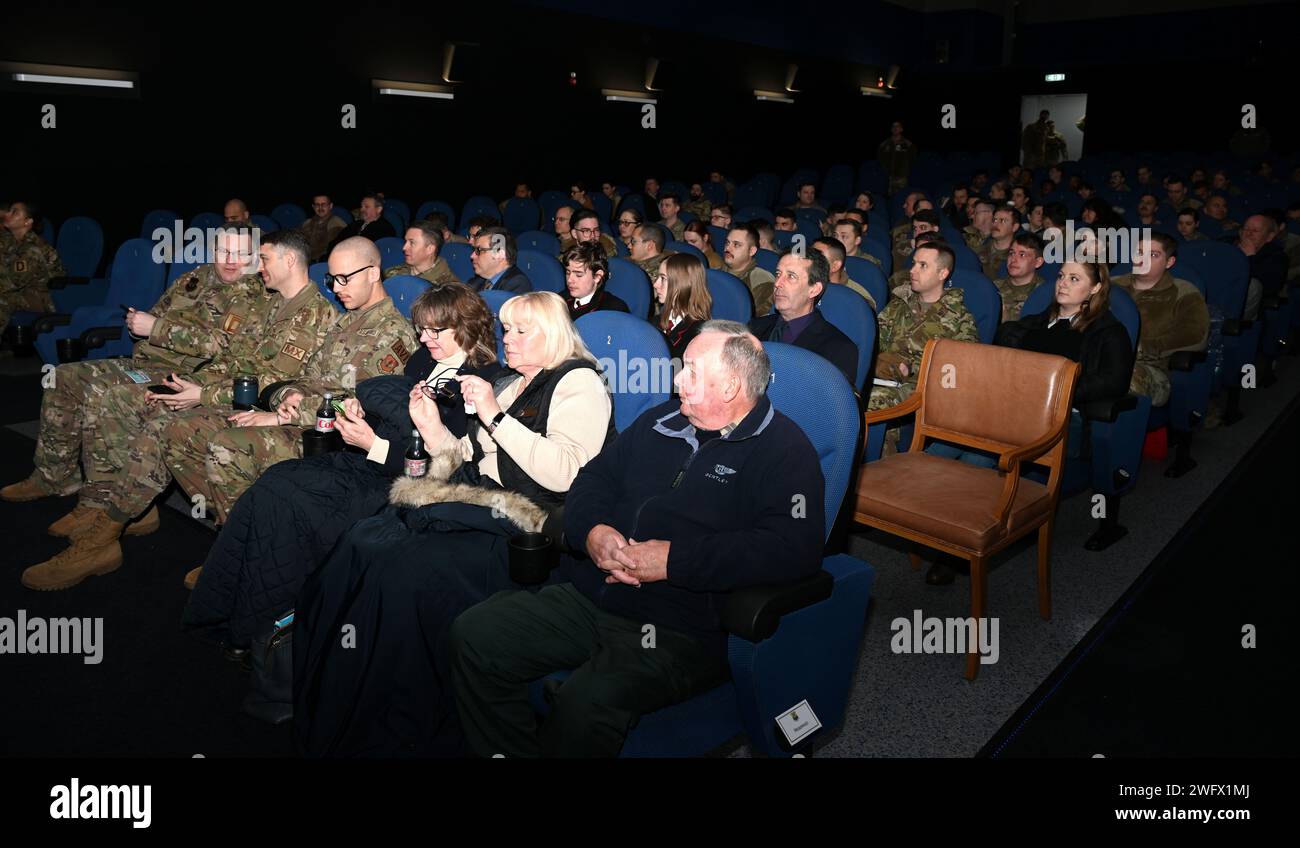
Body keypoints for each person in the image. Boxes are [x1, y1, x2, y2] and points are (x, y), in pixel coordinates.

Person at [450, 321, 825, 757]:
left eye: (691, 371)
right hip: (594, 593)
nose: (676, 380)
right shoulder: (659, 421)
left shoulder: (784, 450)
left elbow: (792, 547)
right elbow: (593, 480)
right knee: (474, 634)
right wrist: (592, 532)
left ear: (730, 387)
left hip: (680, 624)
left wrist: (674, 560)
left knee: (584, 703)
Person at [292, 291, 615, 756]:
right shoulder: (509, 383)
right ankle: (333, 696)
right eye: (507, 330)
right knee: (366, 538)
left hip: (528, 528)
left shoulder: (578, 381)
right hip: (479, 504)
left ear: (556, 335)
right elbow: (460, 456)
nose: (510, 340)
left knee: (402, 568)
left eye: (524, 331)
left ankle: (399, 722)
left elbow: (566, 471)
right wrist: (429, 427)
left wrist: (493, 415)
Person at [19, 229, 337, 591]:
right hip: (218, 387)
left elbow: (267, 382)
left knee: (162, 423)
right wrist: (198, 387)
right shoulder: (276, 300)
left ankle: (106, 534)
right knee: (130, 404)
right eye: (231, 252)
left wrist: (202, 394)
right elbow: (236, 360)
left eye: (260, 258)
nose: (252, 266)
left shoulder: (308, 313)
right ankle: (114, 517)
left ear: (288, 261)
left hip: (257, 406)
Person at [182, 282, 500, 644]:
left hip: (408, 488)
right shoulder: (422, 360)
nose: (425, 338)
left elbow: (450, 468)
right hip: (369, 464)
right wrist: (361, 413)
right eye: (421, 329)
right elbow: (394, 419)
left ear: (468, 326)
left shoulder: (484, 382)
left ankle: (267, 630)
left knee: (298, 505)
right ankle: (229, 607)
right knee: (275, 481)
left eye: (435, 331)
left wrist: (373, 443)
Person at [1, 225, 264, 507]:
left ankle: (105, 502)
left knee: (102, 392)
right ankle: (53, 477)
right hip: (147, 360)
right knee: (62, 377)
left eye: (240, 253)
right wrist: (139, 324)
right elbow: (158, 314)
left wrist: (156, 328)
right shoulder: (195, 277)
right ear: (213, 250)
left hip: (186, 376)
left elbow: (223, 346)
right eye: (224, 250)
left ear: (252, 256)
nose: (230, 260)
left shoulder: (254, 293)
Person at [169, 236, 418, 531]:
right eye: (331, 279)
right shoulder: (345, 322)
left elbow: (356, 406)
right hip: (300, 417)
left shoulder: (392, 335)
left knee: (227, 446)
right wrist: (285, 399)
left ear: (373, 273)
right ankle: (249, 530)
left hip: (333, 438)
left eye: (343, 279)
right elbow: (305, 377)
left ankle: (249, 541)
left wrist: (284, 414)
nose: (335, 288)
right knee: (181, 431)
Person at [924, 259, 1133, 585]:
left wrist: (1052, 390)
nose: (1062, 283)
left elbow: (1112, 383)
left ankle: (955, 548)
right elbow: (1001, 358)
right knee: (944, 448)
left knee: (979, 456)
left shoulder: (1108, 332)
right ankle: (927, 517)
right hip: (1009, 411)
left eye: (1074, 278)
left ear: (1094, 288)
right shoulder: (1036, 323)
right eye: (1061, 276)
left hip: (1062, 419)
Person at [869, 242, 980, 414]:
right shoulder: (899, 304)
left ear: (942, 273)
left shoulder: (959, 318)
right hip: (883, 377)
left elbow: (959, 370)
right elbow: (874, 337)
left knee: (873, 401)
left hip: (922, 390)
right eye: (914, 263)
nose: (912, 270)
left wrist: (912, 368)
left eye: (923, 266)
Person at [1111, 233, 1209, 406]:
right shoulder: (1110, 285)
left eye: (1153, 255)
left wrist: (1144, 347)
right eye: (1139, 252)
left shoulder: (1184, 291)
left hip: (1151, 370)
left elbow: (1195, 336)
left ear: (1169, 262)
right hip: (1101, 358)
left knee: (1118, 377)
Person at [747, 249, 858, 386]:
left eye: (791, 276)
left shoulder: (838, 349)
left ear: (814, 289)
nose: (777, 283)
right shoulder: (752, 329)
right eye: (778, 274)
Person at [0, 201, 64, 334]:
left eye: (15, 212)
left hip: (39, 297)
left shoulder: (33, 249)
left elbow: (14, 283)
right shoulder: (9, 241)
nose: (8, 214)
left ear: (27, 222)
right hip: (19, 292)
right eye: (9, 210)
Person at [652, 253, 713, 363]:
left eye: (663, 278)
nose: (655, 284)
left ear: (682, 285)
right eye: (658, 278)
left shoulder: (698, 337)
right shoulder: (655, 321)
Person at [561, 242, 628, 321]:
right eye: (568, 272)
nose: (569, 280)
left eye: (578, 275)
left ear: (597, 277)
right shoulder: (560, 300)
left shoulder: (613, 311)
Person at [722, 224, 774, 316]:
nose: (728, 248)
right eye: (727, 242)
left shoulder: (762, 281)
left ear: (752, 251)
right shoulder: (714, 273)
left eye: (736, 245)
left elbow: (753, 320)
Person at [385, 221, 461, 284]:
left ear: (430, 249)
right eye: (405, 242)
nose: (404, 247)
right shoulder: (393, 273)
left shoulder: (447, 287)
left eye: (412, 243)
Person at [995, 232, 1047, 322]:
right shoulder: (993, 288)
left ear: (1038, 262)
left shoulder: (1045, 294)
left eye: (1022, 255)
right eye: (1011, 253)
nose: (1013, 259)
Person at [813, 237, 877, 310]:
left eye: (818, 258)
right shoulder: (804, 282)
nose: (810, 261)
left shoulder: (857, 299)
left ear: (835, 266)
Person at [466, 226, 532, 293]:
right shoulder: (476, 282)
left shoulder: (517, 284)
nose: (472, 256)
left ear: (499, 254)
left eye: (479, 250)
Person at [330, 193, 395, 249]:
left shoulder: (385, 229)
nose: (361, 209)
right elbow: (337, 240)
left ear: (379, 209)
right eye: (361, 206)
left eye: (366, 207)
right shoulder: (356, 224)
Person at [300, 195, 347, 263]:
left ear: (330, 206)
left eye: (323, 204)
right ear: (313, 207)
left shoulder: (336, 224)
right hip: (306, 259)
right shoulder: (307, 223)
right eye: (317, 205)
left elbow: (331, 250)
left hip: (324, 263)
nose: (320, 207)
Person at [979, 207, 1021, 280]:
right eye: (994, 220)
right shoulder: (978, 250)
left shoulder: (1017, 258)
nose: (996, 224)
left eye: (1003, 221)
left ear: (1014, 227)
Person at [877, 120, 917, 193]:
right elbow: (879, 158)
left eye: (897, 126)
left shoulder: (908, 144)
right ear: (891, 129)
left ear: (901, 129)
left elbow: (913, 158)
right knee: (888, 197)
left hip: (902, 178)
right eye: (893, 126)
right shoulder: (885, 144)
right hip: (888, 177)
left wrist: (906, 171)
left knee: (902, 196)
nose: (895, 128)